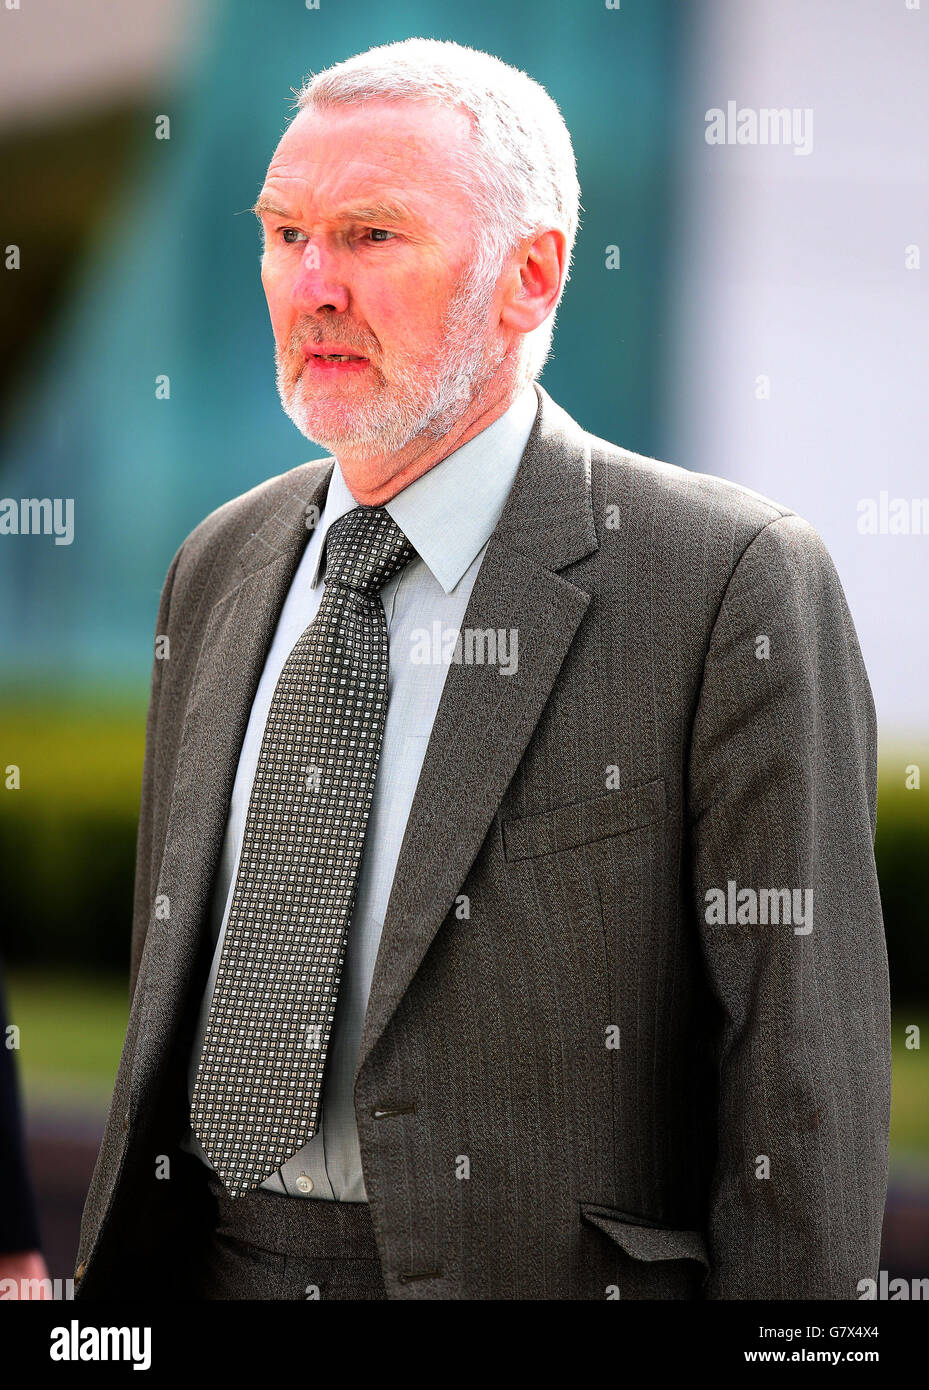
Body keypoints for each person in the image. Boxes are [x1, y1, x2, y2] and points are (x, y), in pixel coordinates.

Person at [75, 38, 890, 1300]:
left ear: (529, 275)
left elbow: (804, 1082)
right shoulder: (220, 560)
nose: (311, 285)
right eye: (283, 233)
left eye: (369, 236)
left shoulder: (724, 578)